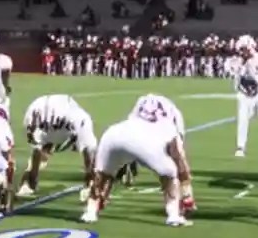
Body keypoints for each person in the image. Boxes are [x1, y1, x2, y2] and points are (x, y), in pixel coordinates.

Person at [81, 94, 195, 227]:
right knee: (171, 172)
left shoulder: (138, 112)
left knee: (103, 173)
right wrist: (187, 195)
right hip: (149, 145)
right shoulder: (170, 125)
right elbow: (179, 159)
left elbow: (129, 140)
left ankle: (90, 211)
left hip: (114, 134)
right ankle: (173, 215)